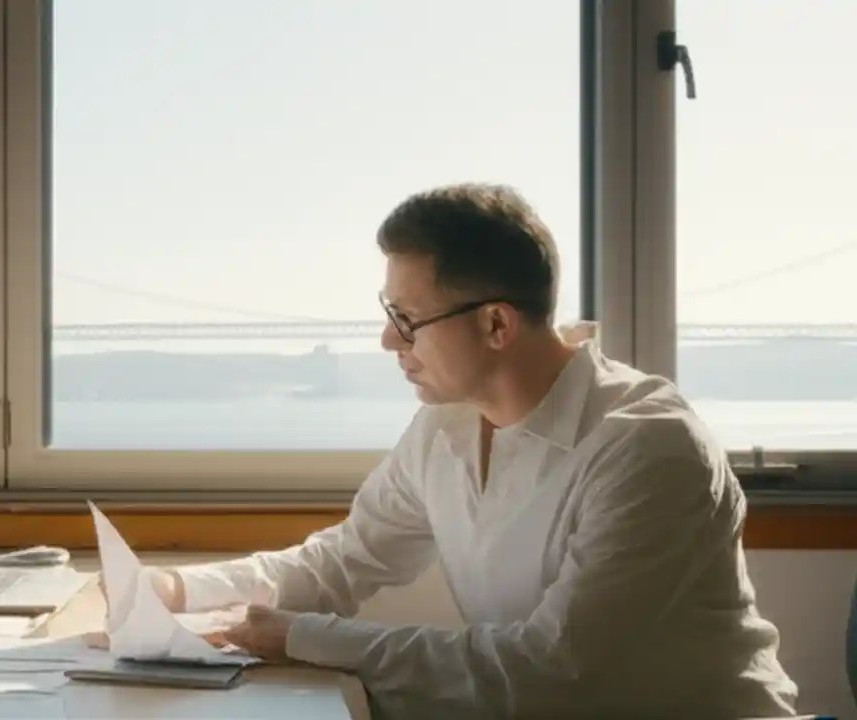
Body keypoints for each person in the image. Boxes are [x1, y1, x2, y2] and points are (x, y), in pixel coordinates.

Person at [107, 183, 799, 718]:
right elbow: (347, 559)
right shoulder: (447, 425)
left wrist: (301, 636)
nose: (388, 342)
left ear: (496, 323)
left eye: (405, 320)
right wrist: (174, 591)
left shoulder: (648, 447)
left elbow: (551, 668)